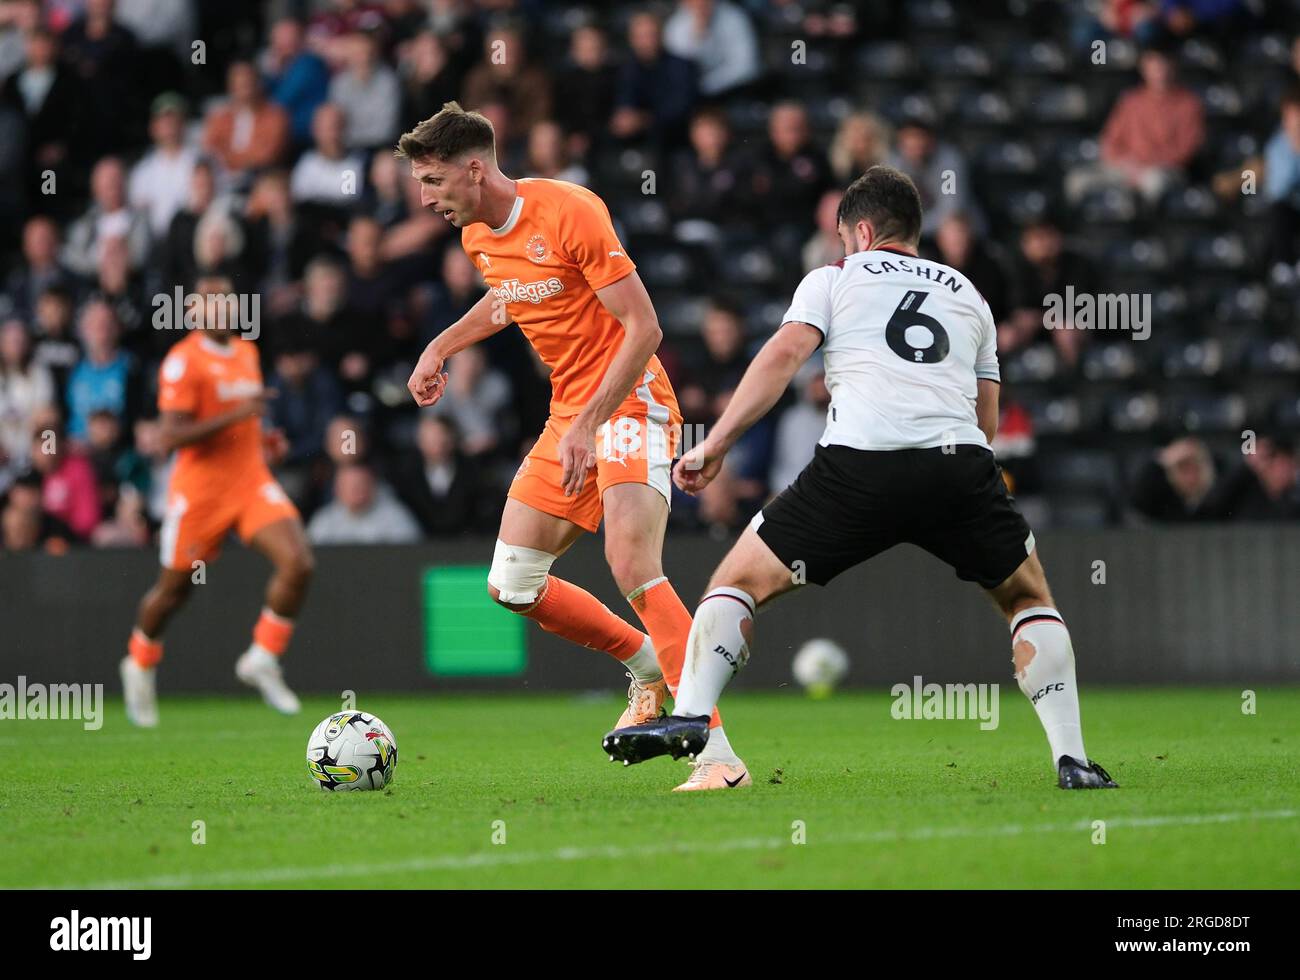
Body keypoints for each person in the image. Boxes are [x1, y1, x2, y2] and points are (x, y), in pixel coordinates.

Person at [604, 166, 1117, 792]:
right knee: (1028, 599)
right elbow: (986, 415)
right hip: (958, 465)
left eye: (843, 237)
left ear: (863, 231)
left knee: (735, 584)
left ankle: (694, 725)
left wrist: (716, 443)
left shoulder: (836, 278)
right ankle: (1073, 761)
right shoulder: (969, 293)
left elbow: (785, 355)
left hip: (858, 466)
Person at [399, 102, 748, 790]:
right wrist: (441, 344)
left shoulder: (569, 210)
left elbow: (644, 327)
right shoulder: (476, 237)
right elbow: (513, 296)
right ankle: (647, 663)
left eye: (433, 181)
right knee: (512, 584)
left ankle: (716, 752)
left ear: (474, 169)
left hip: (629, 401)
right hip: (572, 414)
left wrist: (591, 420)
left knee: (629, 559)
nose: (425, 198)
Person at [120, 274, 313, 728]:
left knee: (299, 562)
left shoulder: (247, 352)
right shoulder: (182, 362)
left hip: (249, 481)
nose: (222, 309)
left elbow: (246, 426)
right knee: (174, 591)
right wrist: (237, 414)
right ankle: (139, 661)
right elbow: (169, 437)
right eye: (211, 303)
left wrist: (267, 443)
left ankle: (262, 657)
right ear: (193, 313)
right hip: (200, 492)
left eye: (228, 300)